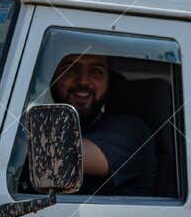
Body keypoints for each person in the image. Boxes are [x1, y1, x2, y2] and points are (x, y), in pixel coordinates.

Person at [13, 52, 156, 197]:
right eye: (71, 69)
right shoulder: (61, 128)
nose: (83, 81)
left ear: (109, 80)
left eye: (95, 71)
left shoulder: (130, 132)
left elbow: (54, 157)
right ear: (52, 77)